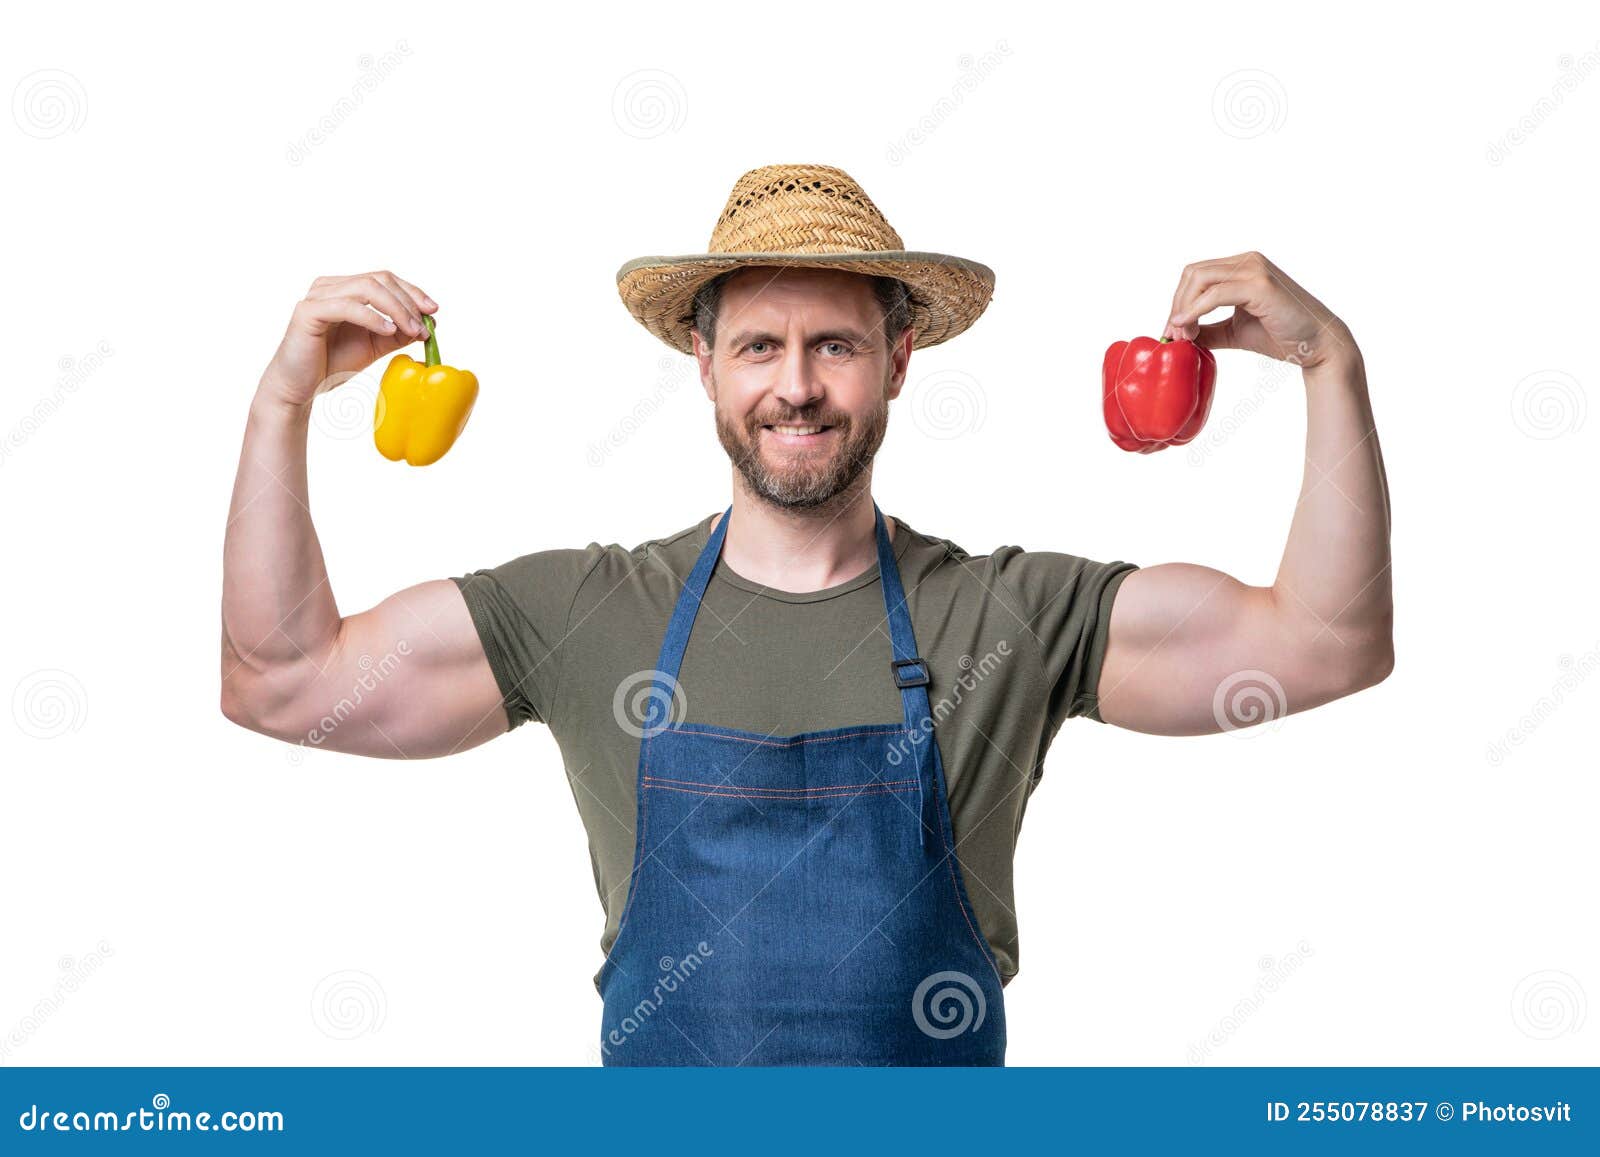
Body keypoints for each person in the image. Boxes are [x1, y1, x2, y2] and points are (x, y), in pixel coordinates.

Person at [220, 163, 1393, 1066]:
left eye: (833, 343)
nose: (795, 385)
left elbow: (1323, 644)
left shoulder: (1014, 613)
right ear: (704, 364)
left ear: (898, 356)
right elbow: (281, 681)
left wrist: (1326, 361)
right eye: (759, 346)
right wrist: (283, 399)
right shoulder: (582, 610)